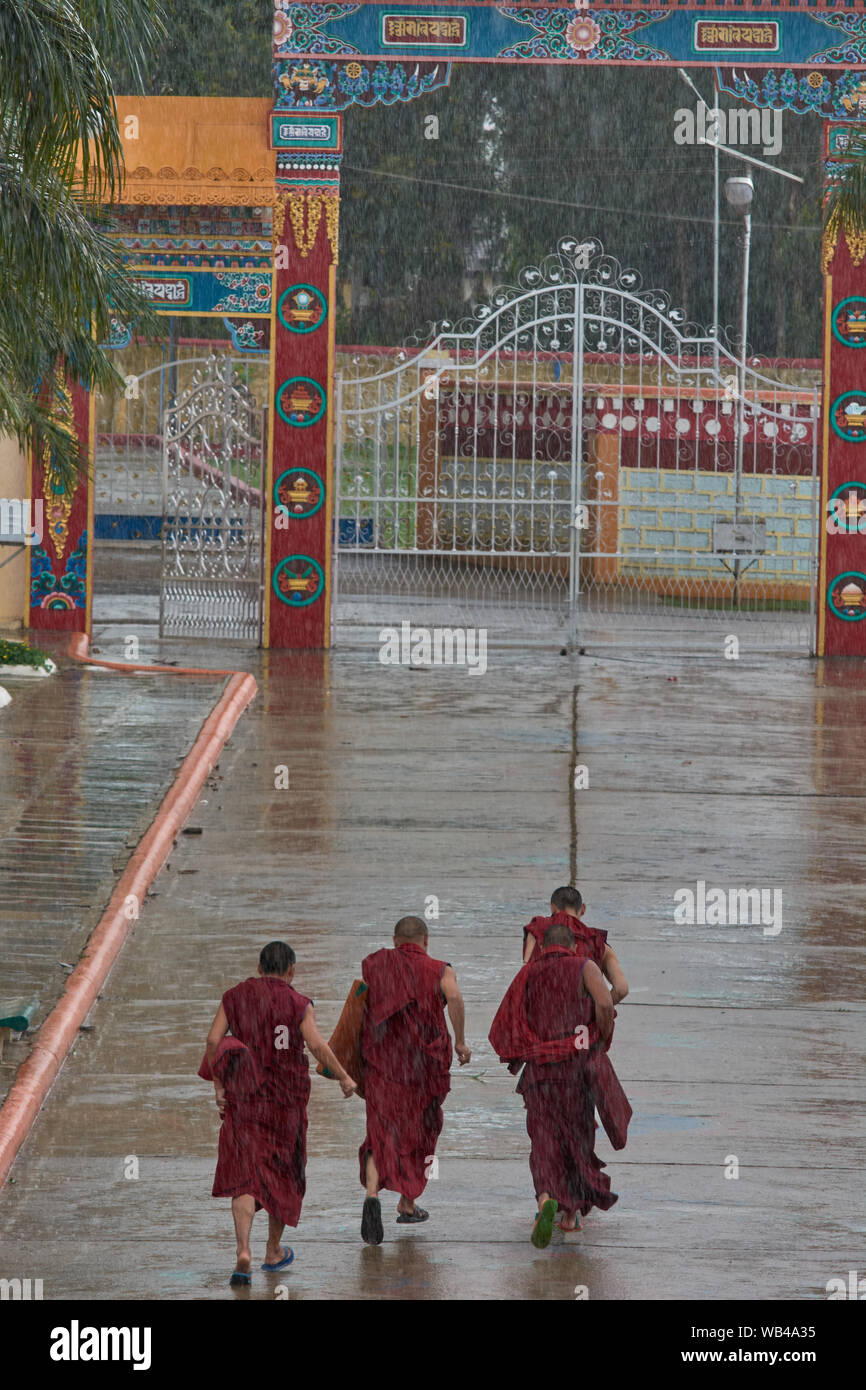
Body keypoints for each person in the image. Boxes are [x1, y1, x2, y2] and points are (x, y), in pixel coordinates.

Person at [203, 941, 357, 1285]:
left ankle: (243, 1249)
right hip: (285, 1105)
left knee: (245, 1177)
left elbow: (214, 1041)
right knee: (282, 1176)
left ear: (259, 968)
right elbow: (316, 1044)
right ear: (291, 971)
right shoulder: (298, 1003)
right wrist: (344, 1078)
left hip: (245, 1099)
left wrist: (218, 1084)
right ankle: (273, 1250)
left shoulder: (234, 997)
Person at [490, 922, 632, 1249]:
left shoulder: (527, 973)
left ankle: (544, 1201)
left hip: (539, 1072)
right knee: (577, 1137)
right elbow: (606, 1003)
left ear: (542, 947)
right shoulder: (585, 966)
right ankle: (570, 1214)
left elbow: (509, 1018)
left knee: (543, 1140)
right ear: (571, 946)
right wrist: (600, 1034)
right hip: (575, 1070)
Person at [358, 915, 471, 1245]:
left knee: (380, 1134)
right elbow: (454, 997)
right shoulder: (439, 969)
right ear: (426, 941)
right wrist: (461, 1040)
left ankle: (371, 1195)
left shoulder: (377, 964)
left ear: (395, 941)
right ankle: (407, 1202)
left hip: (383, 1066)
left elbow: (360, 1007)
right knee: (420, 1133)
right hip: (422, 1069)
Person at [522, 885, 629, 1004]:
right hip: (580, 1019)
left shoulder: (536, 931)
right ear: (583, 909)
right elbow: (621, 989)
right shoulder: (596, 942)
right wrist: (595, 1013)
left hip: (540, 1014)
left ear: (552, 907)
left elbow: (524, 974)